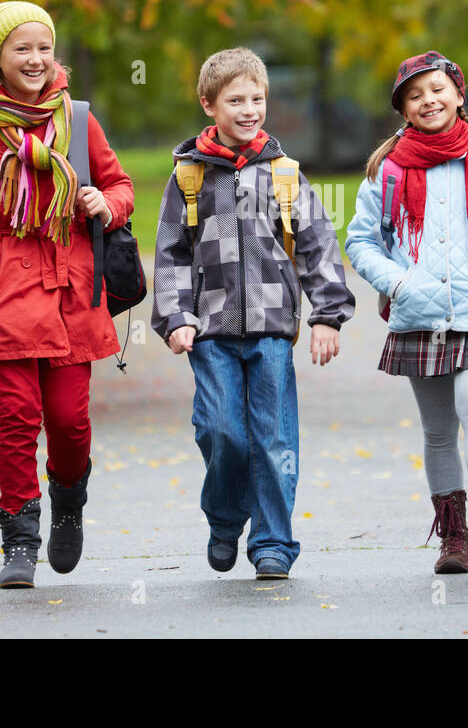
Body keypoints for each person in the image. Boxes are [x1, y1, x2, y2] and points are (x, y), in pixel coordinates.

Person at [0, 1, 134, 588]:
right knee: (17, 415)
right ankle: (19, 537)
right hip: (4, 285)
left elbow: (121, 186)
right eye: (22, 49)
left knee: (68, 419)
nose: (35, 59)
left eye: (43, 47)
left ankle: (69, 499)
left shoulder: (78, 119)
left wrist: (104, 204)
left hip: (72, 284)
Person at [151, 47, 355, 580]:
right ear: (208, 105)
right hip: (210, 332)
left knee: (274, 440)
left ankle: (273, 544)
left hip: (270, 331)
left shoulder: (285, 175)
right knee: (222, 432)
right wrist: (175, 317)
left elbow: (318, 246)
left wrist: (327, 316)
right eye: (235, 100)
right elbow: (170, 252)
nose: (248, 109)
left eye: (257, 98)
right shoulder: (189, 178)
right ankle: (224, 518)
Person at [345, 51, 468, 574]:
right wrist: (398, 282)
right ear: (404, 109)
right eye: (414, 95)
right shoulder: (387, 170)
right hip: (417, 316)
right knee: (436, 429)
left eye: (437, 89)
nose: (428, 100)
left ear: (458, 94)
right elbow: (361, 242)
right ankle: (453, 537)